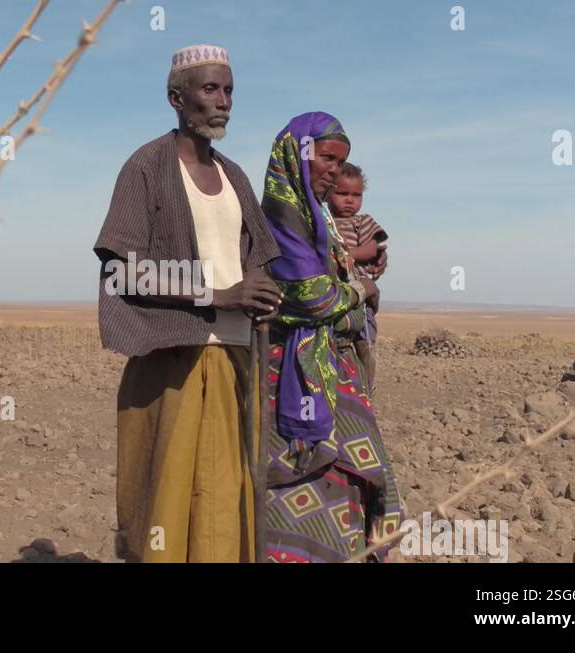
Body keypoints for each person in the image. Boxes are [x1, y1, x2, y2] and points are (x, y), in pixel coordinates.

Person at [92, 44, 281, 562]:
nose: (223, 101)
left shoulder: (235, 176)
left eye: (229, 90)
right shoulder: (146, 167)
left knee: (225, 495)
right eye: (210, 89)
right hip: (171, 357)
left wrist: (260, 292)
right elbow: (122, 267)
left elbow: (259, 257)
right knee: (167, 497)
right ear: (177, 98)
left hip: (235, 353)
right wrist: (219, 294)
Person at [259, 111, 402, 562]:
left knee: (353, 481)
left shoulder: (315, 216)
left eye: (342, 164)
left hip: (334, 371)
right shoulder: (281, 218)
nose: (335, 171)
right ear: (298, 155)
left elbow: (351, 270)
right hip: (292, 378)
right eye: (327, 158)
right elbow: (314, 297)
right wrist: (361, 290)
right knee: (300, 486)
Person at [327, 162, 389, 394]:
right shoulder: (324, 221)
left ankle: (367, 385)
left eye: (356, 195)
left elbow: (372, 249)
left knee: (365, 343)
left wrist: (348, 256)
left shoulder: (362, 221)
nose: (350, 200)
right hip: (336, 297)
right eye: (342, 193)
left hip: (361, 298)